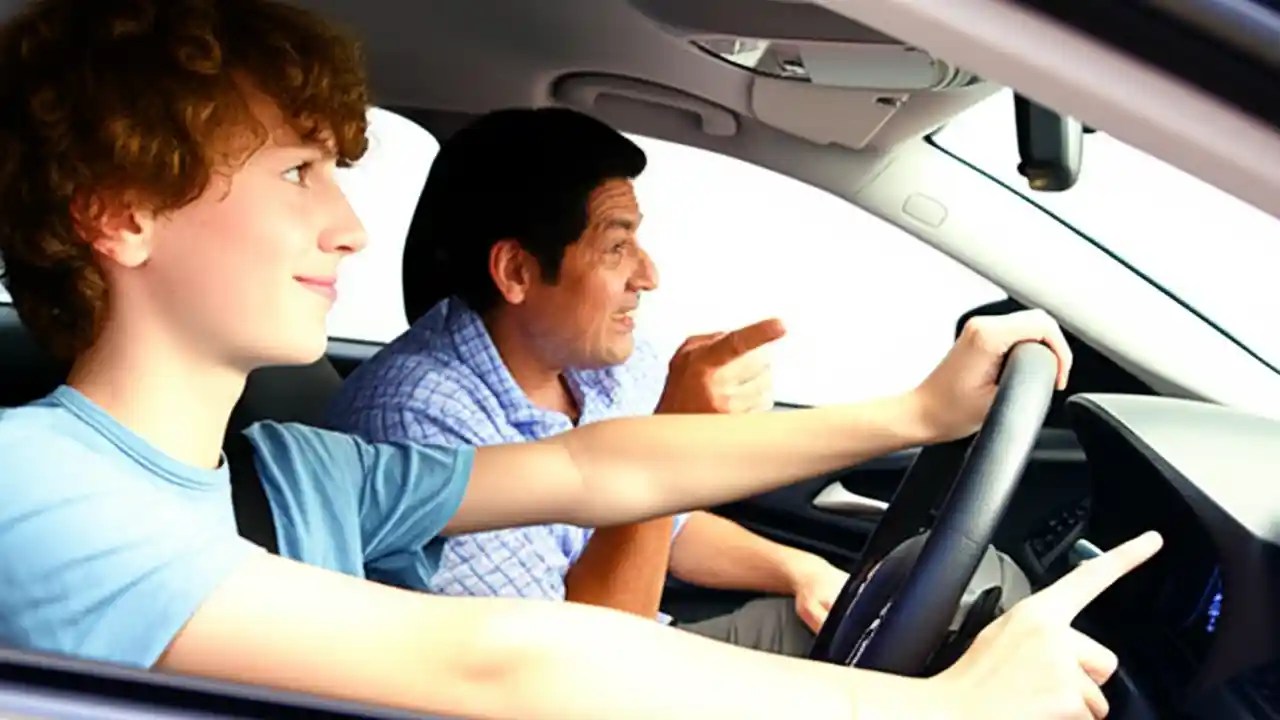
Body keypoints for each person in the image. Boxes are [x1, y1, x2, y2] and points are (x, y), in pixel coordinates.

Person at [0, 1, 1161, 718]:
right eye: (298, 173)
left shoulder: (291, 471)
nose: (350, 224)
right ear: (123, 215)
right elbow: (493, 665)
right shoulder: (33, 482)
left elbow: (595, 468)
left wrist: (910, 413)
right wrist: (936, 713)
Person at [328, 107, 845, 657]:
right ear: (517, 273)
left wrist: (800, 569)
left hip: (635, 644)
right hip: (575, 680)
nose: (648, 276)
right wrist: (669, 445)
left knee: (835, 628)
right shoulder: (422, 421)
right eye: (616, 247)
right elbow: (573, 672)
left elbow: (665, 527)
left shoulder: (594, 363)